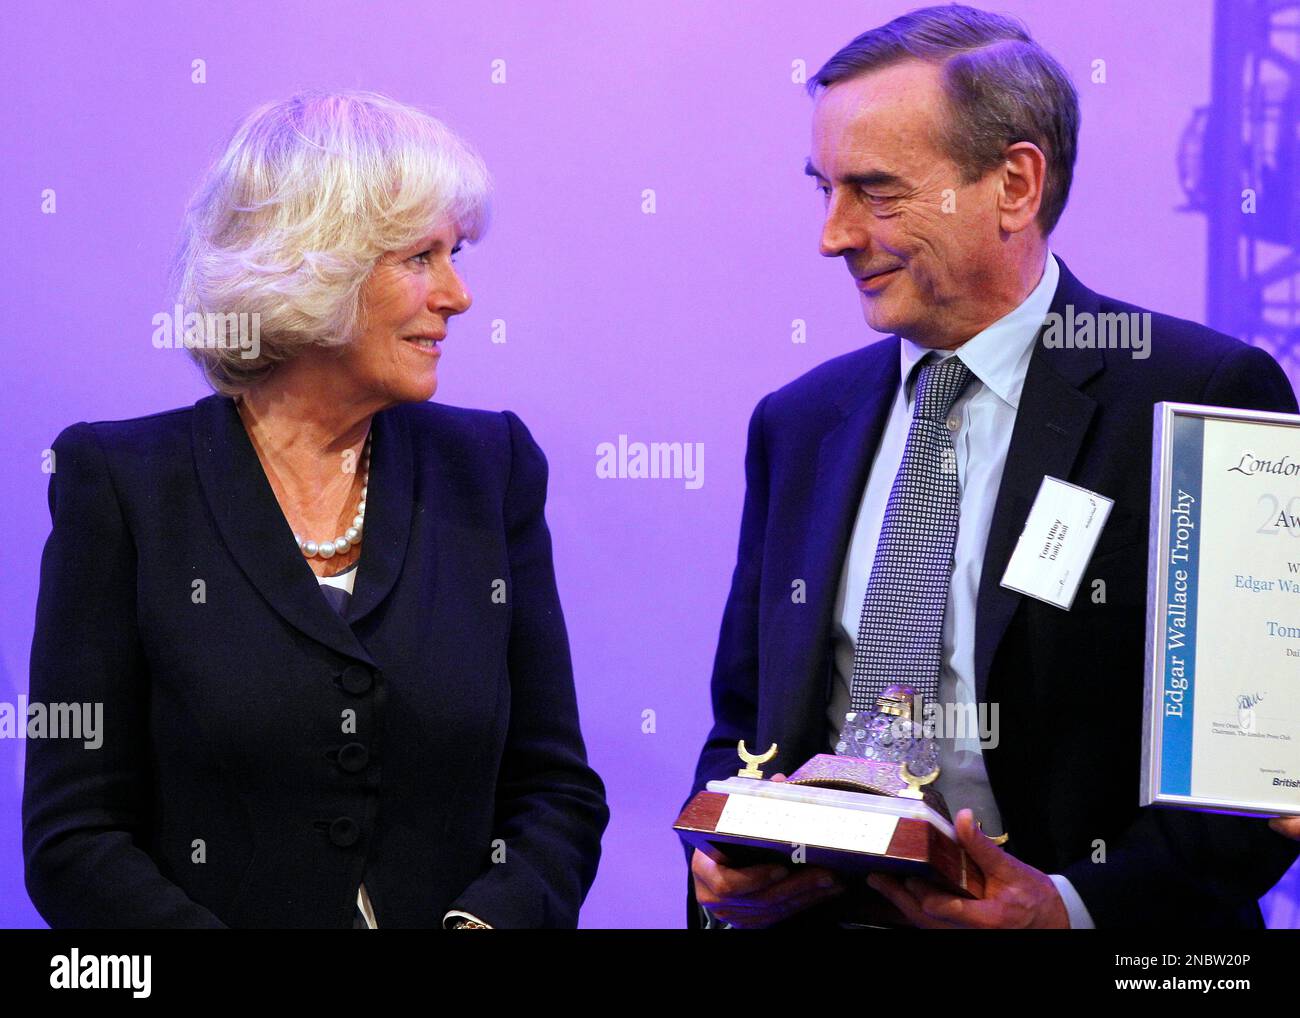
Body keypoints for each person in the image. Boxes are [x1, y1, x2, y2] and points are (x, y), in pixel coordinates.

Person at [683, 5, 1300, 928]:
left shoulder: (1197, 393)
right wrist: (721, 863)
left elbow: (1257, 766)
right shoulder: (799, 422)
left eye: (876, 192)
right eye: (824, 189)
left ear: (1015, 184)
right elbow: (743, 729)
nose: (833, 235)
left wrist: (1066, 909)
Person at [23, 89, 608, 928]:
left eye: (456, 254)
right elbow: (74, 835)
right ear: (313, 266)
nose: (458, 295)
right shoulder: (123, 484)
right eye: (422, 257)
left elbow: (555, 793)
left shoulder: (491, 469)